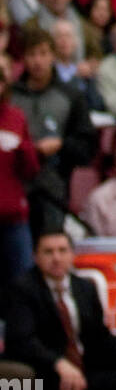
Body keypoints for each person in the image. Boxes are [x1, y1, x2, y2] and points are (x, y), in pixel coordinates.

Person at [4, 230, 116, 390]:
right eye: (48, 252)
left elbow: (102, 338)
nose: (56, 258)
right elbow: (22, 341)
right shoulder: (22, 289)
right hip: (47, 371)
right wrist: (59, 364)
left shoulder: (84, 287)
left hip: (86, 370)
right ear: (35, 257)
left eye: (62, 250)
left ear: (72, 255)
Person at [10, 30, 96, 236]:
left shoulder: (71, 95)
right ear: (23, 59)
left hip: (54, 184)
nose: (37, 61)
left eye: (43, 54)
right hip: (15, 183)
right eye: (31, 55)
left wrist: (61, 145)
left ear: (53, 57)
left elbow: (87, 146)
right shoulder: (10, 95)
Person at [0, 54, 39, 284]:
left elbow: (31, 170)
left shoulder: (16, 117)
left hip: (13, 217)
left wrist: (23, 148)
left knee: (23, 283)